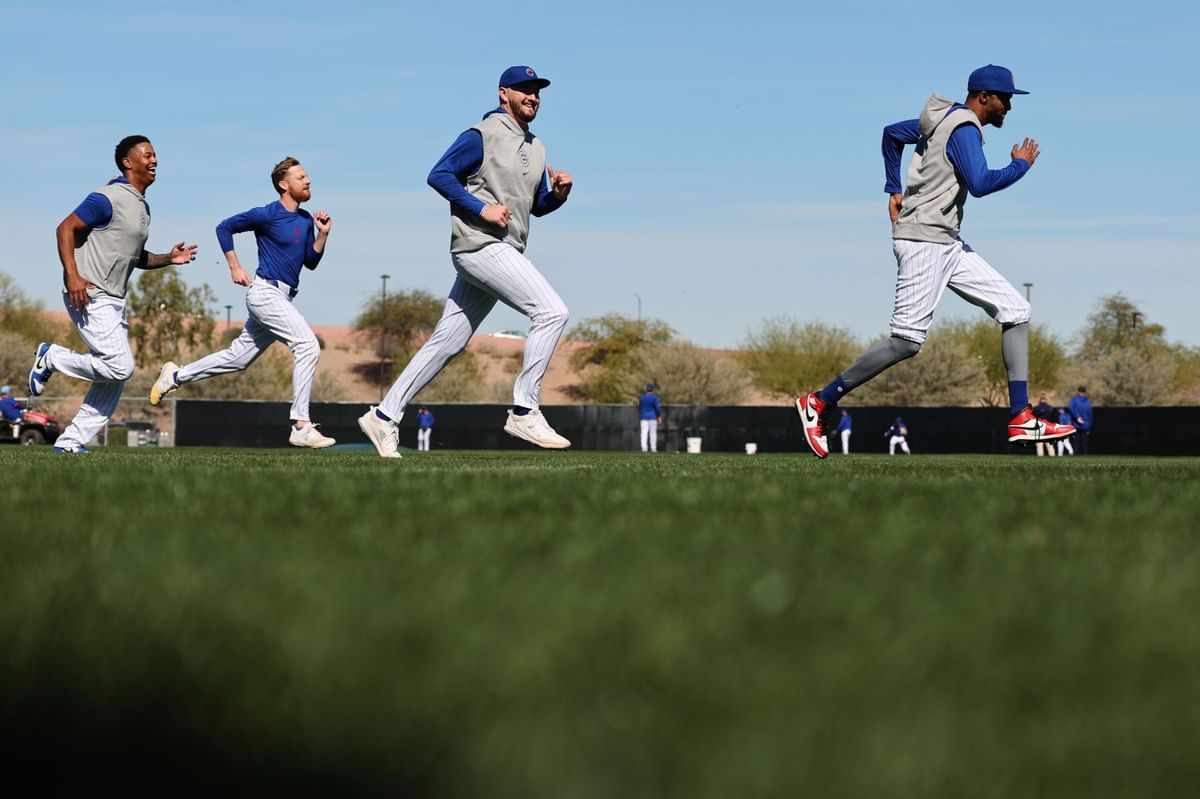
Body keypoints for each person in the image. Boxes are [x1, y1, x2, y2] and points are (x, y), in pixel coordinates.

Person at [794, 65, 1074, 459]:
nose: (1008, 107)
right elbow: (979, 184)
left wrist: (893, 187)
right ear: (984, 97)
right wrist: (1020, 166)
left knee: (1016, 308)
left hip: (946, 242)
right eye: (1005, 99)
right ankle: (820, 402)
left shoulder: (942, 118)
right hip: (924, 243)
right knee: (905, 341)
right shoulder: (964, 129)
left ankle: (1021, 415)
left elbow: (892, 134)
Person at [359, 66, 573, 459]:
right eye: (525, 89)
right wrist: (480, 208)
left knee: (447, 342)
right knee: (552, 312)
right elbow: (439, 175)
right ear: (502, 93)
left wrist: (557, 195)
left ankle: (384, 416)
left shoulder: (538, 147)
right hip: (479, 246)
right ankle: (525, 409)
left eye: (538, 91)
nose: (534, 96)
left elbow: (535, 207)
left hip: (505, 249)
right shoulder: (481, 134)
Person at [148, 157, 335, 449]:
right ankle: (301, 424)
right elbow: (224, 228)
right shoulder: (266, 214)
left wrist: (322, 235)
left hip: (283, 296)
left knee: (239, 358)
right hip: (265, 293)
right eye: (301, 177)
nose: (308, 180)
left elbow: (309, 262)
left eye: (307, 175)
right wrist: (234, 266)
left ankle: (176, 375)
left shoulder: (304, 219)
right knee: (308, 345)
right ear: (284, 185)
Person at [28, 135, 198, 454]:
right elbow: (65, 228)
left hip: (114, 298)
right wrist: (73, 275)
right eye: (147, 155)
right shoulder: (107, 197)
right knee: (121, 367)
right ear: (128, 162)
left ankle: (70, 442)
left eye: (155, 154)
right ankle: (51, 357)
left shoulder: (140, 206)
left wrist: (168, 259)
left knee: (113, 378)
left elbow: (134, 256)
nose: (154, 160)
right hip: (89, 291)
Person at [1068, 386, 1093, 455]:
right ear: (1085, 392)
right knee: (1084, 443)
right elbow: (1090, 414)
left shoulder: (1074, 400)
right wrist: (1089, 426)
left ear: (1078, 391)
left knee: (1076, 442)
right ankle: (1085, 456)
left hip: (1076, 424)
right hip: (1086, 424)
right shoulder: (1088, 401)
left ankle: (1075, 457)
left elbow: (1070, 408)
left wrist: (1077, 417)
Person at [638, 383, 662, 452]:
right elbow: (657, 408)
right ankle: (653, 448)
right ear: (653, 390)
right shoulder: (654, 397)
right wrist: (659, 416)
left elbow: (640, 407)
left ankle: (644, 447)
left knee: (643, 432)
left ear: (647, 389)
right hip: (652, 417)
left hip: (644, 417)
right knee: (653, 433)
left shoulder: (642, 397)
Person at [1033, 392, 1057, 457]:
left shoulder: (1036, 408)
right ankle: (1052, 456)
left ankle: (1040, 456)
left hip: (1039, 426)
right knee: (1049, 444)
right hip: (1048, 427)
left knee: (1039, 444)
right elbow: (1054, 419)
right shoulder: (1050, 408)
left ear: (1040, 400)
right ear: (1046, 400)